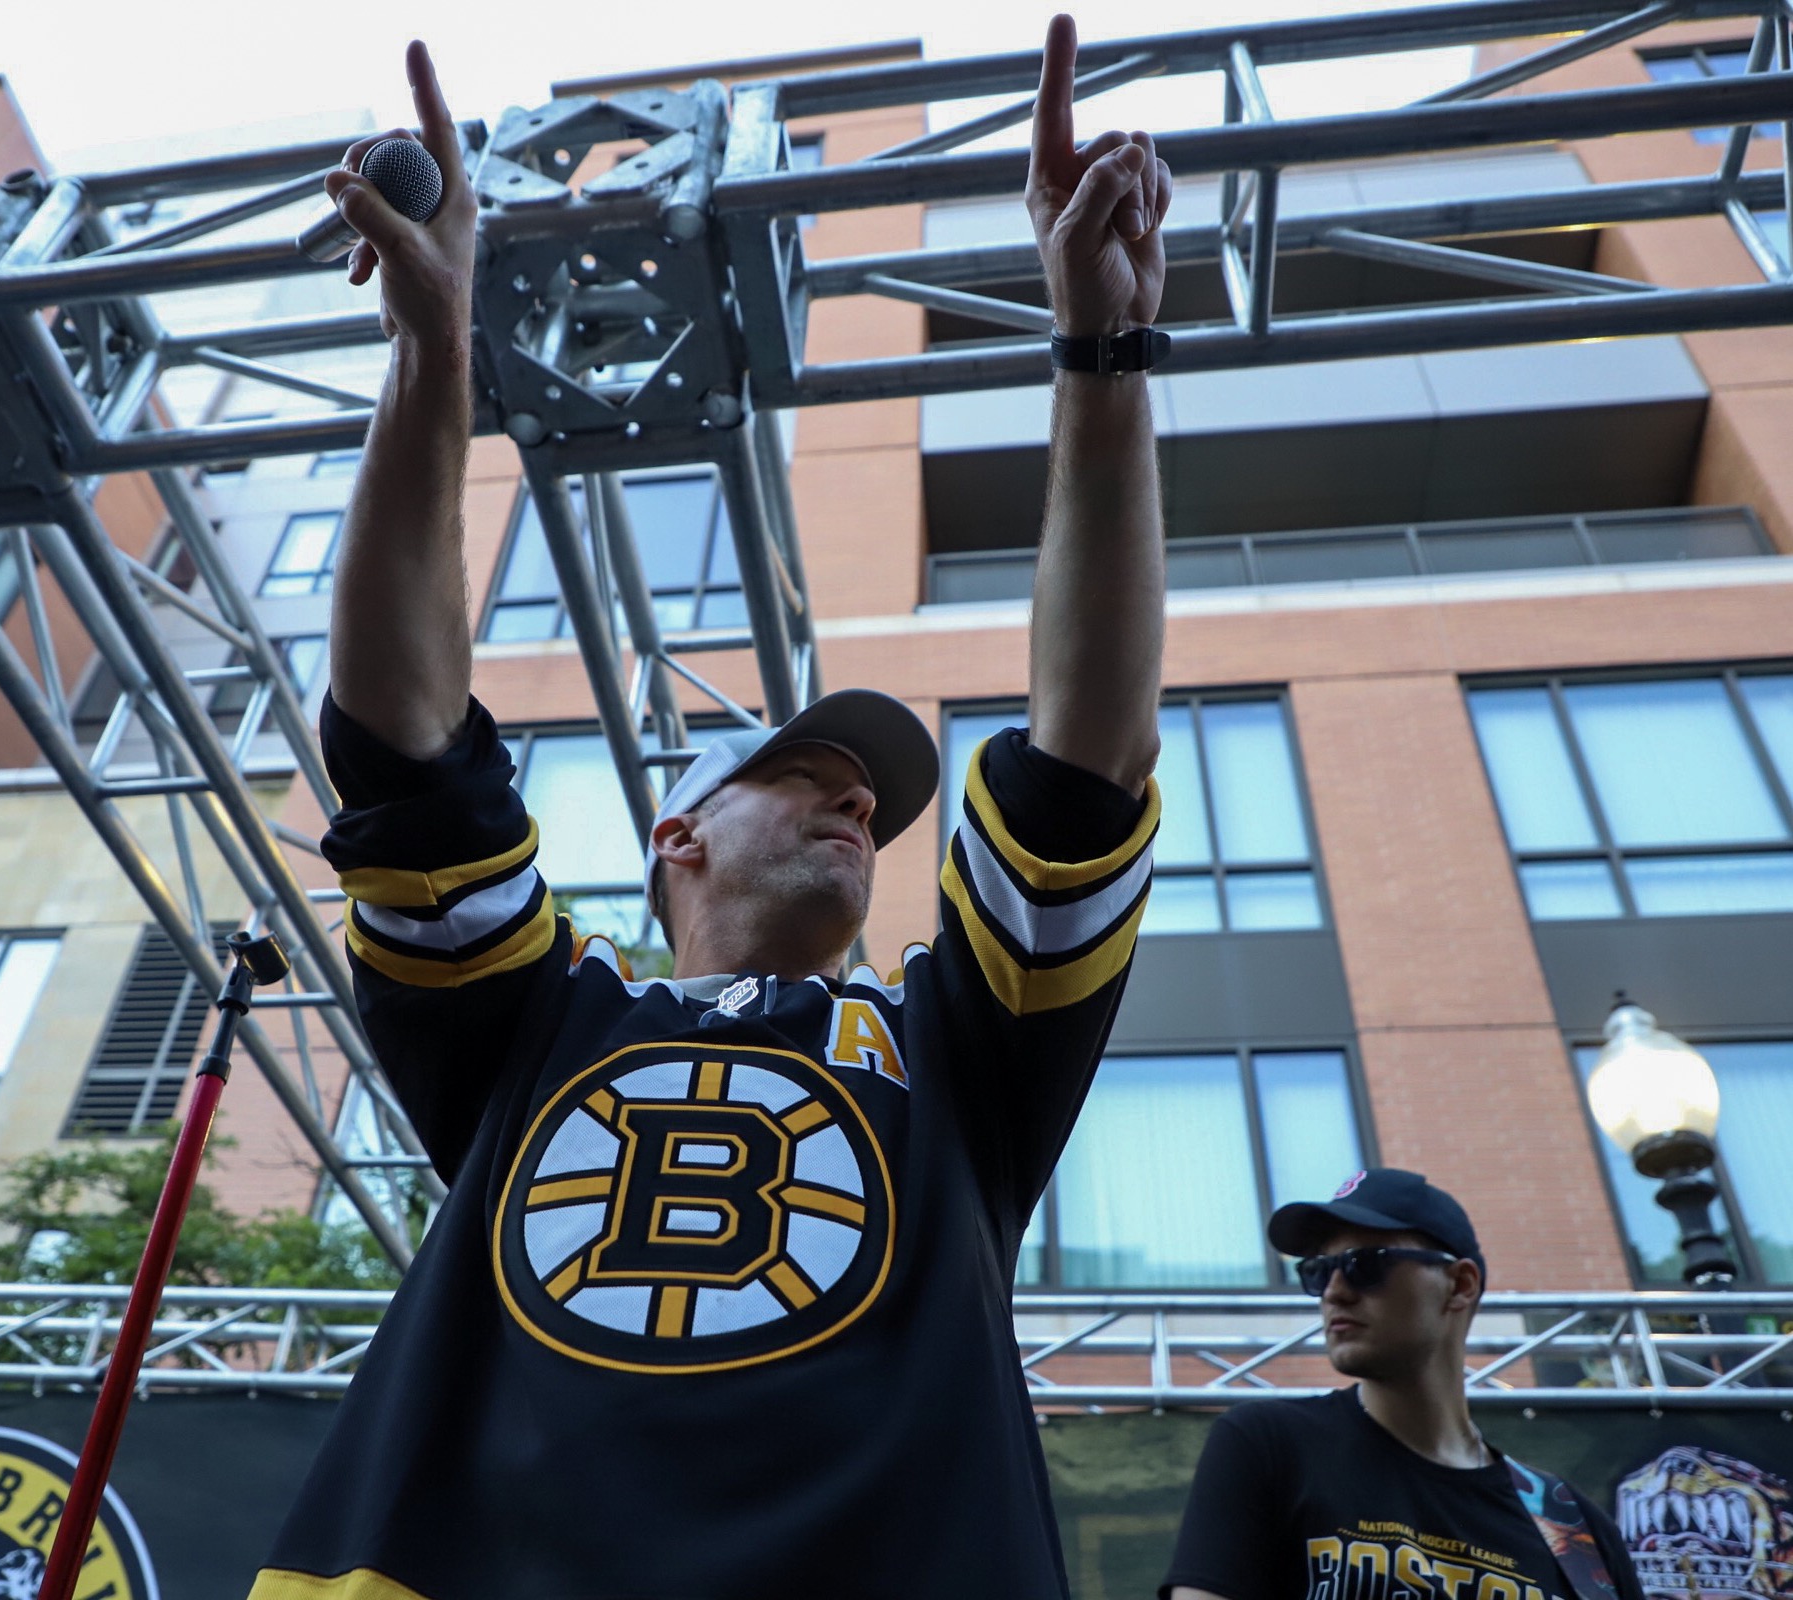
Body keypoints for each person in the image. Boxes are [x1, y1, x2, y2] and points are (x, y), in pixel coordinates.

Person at [249, 15, 1170, 1598]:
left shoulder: (954, 1050)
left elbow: (1084, 762)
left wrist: (1096, 358)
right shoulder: (540, 1016)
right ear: (673, 837)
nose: (855, 807)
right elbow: (401, 736)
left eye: (869, 805)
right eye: (805, 779)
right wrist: (433, 353)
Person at [1161, 1169, 1647, 1600]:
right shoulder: (1269, 1444)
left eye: (1364, 1264)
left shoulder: (1577, 1533)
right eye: (1318, 1271)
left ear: (1460, 1285)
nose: (1334, 1291)